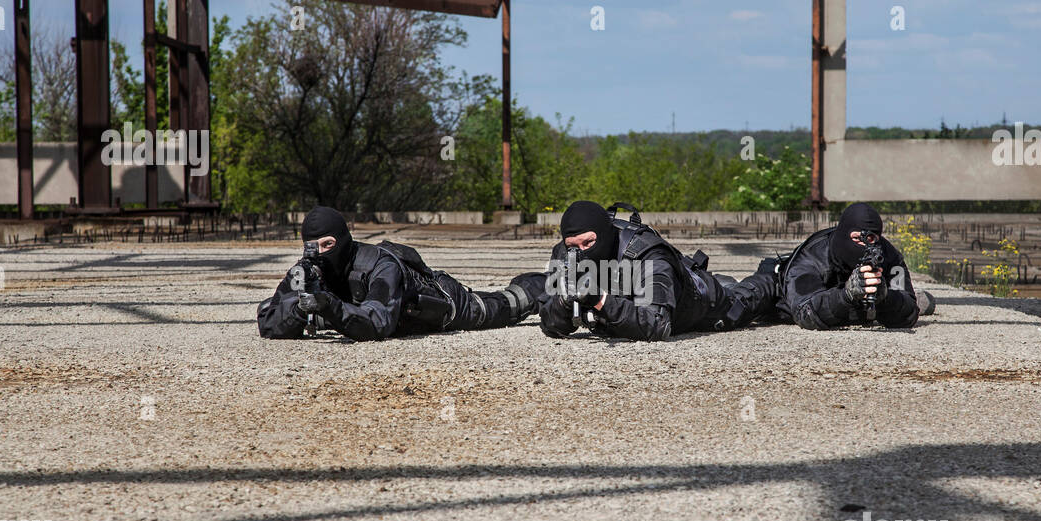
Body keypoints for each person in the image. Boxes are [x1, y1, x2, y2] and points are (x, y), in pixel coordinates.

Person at [258, 206, 546, 341]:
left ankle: (544, 285)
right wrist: (298, 309)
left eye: (327, 245)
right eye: (312, 247)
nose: (320, 254)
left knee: (503, 305)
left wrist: (328, 306)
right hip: (379, 317)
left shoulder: (379, 265)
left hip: (441, 303)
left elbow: (378, 322)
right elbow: (268, 320)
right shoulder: (305, 270)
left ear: (343, 241)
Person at [538, 200, 733, 342]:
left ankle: (756, 281)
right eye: (573, 246)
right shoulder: (565, 254)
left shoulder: (648, 255)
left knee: (751, 298)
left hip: (704, 301)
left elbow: (657, 325)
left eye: (588, 242)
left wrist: (598, 299)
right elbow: (549, 323)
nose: (581, 252)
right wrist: (563, 302)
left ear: (605, 235)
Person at [719, 202, 930, 331]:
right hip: (780, 291)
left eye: (873, 238)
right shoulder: (812, 256)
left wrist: (886, 297)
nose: (867, 246)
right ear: (843, 233)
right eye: (858, 238)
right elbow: (805, 313)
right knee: (734, 306)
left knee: (918, 302)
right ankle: (724, 286)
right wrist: (846, 296)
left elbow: (909, 313)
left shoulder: (888, 256)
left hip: (845, 308)